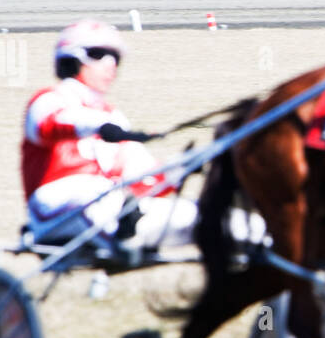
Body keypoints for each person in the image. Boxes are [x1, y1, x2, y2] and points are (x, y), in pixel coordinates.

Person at [21, 20, 197, 256]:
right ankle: (124, 237)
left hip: (115, 206)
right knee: (99, 197)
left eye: (115, 57)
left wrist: (182, 167)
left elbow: (141, 177)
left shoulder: (114, 117)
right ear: (70, 58)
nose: (110, 64)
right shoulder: (48, 99)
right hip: (56, 209)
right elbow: (49, 126)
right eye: (98, 54)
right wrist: (101, 126)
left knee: (208, 216)